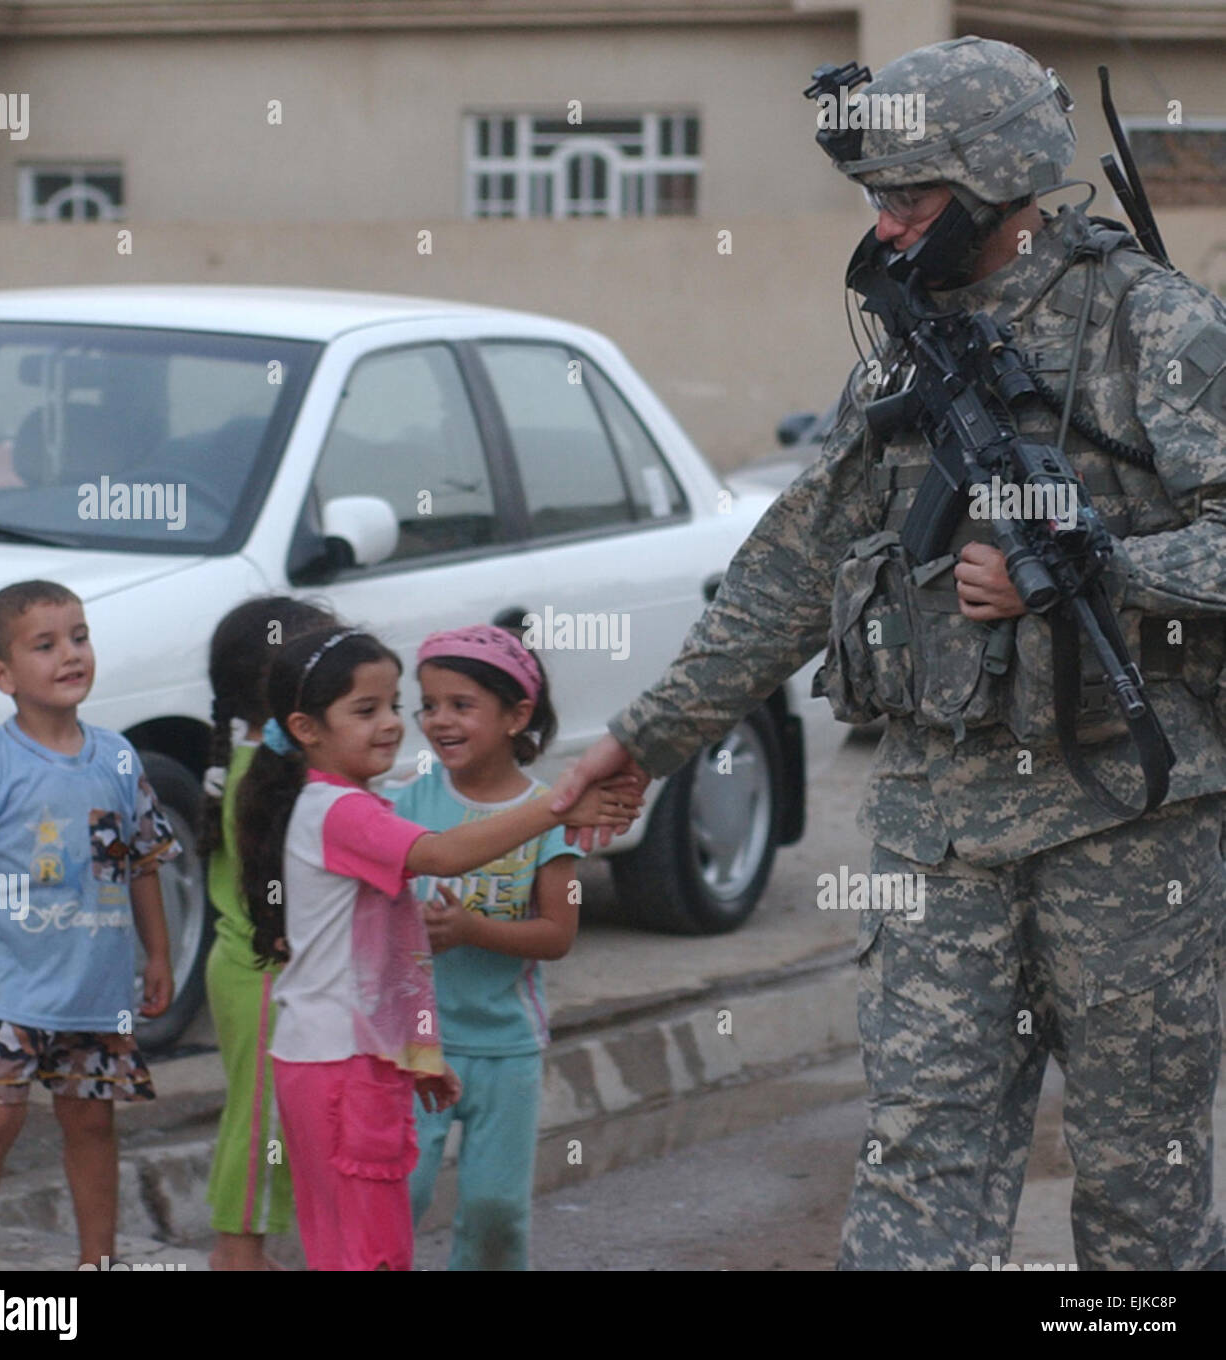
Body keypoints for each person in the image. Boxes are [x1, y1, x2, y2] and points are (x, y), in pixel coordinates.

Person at [553, 35, 1226, 1271]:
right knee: (919, 1175)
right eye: (876, 198)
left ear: (995, 185)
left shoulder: (1152, 327)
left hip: (1128, 837)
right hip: (938, 835)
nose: (887, 226)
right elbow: (793, 563)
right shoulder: (916, 346)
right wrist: (644, 743)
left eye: (909, 198)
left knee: (1145, 1193)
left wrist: (1097, 571)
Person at [236, 626, 639, 1271]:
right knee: (371, 1256)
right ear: (307, 729)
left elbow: (388, 956)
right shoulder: (349, 813)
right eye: (368, 711)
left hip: (346, 1060)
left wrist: (416, 1054)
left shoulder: (341, 805)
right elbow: (446, 855)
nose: (397, 724)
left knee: (347, 1250)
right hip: (343, 1067)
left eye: (394, 705)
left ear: (519, 717)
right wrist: (560, 807)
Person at [0, 579, 177, 1271]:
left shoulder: (120, 759)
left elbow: (146, 863)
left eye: (79, 637)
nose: (70, 654)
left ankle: (98, 1260)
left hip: (94, 987)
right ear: (1, 675)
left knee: (91, 1123)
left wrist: (158, 955)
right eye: (46, 645)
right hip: (4, 983)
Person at [390, 625, 580, 1271]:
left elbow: (558, 934)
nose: (439, 720)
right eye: (430, 704)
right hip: (414, 1045)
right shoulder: (406, 804)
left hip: (506, 1046)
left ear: (516, 715)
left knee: (497, 1210)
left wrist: (473, 931)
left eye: (461, 704)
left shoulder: (549, 815)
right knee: (399, 1196)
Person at [200, 595, 339, 1271]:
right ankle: (236, 1253)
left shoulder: (266, 764)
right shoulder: (270, 776)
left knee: (273, 1122)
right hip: (262, 978)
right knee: (258, 1126)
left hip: (260, 976)